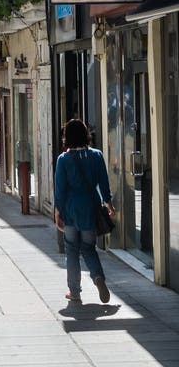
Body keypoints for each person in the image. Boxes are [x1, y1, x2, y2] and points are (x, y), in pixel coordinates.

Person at [54, 118, 115, 304]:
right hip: (91, 207)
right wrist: (108, 203)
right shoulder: (97, 155)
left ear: (67, 138)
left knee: (72, 249)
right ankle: (98, 278)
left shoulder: (63, 160)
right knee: (89, 248)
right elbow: (104, 182)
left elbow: (60, 189)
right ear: (86, 135)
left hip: (71, 209)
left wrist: (58, 212)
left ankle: (75, 292)